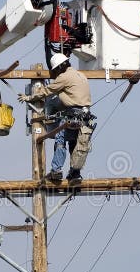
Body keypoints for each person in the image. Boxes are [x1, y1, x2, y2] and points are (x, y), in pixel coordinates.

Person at [18, 53, 93, 186]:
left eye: (56, 70)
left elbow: (47, 90)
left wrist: (29, 98)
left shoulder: (64, 77)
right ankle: (75, 173)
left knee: (60, 141)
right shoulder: (81, 75)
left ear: (59, 67)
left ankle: (56, 170)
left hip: (72, 116)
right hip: (85, 119)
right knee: (76, 145)